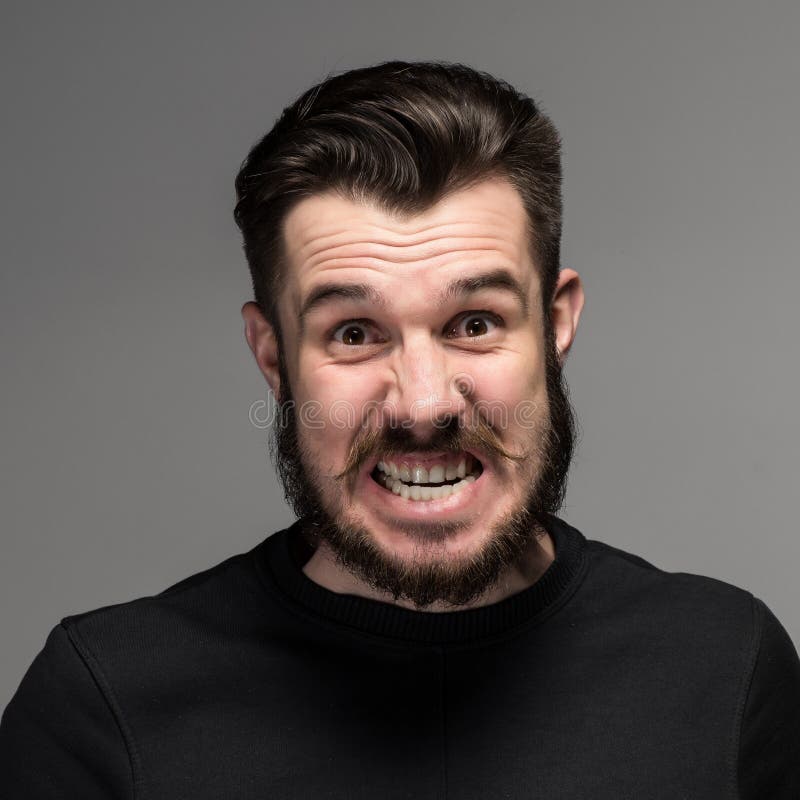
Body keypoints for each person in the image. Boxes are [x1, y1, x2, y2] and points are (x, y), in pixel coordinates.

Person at [1, 59, 798, 799]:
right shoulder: (104, 707)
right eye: (354, 333)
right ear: (273, 356)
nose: (423, 406)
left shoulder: (724, 669)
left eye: (475, 322)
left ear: (556, 325)